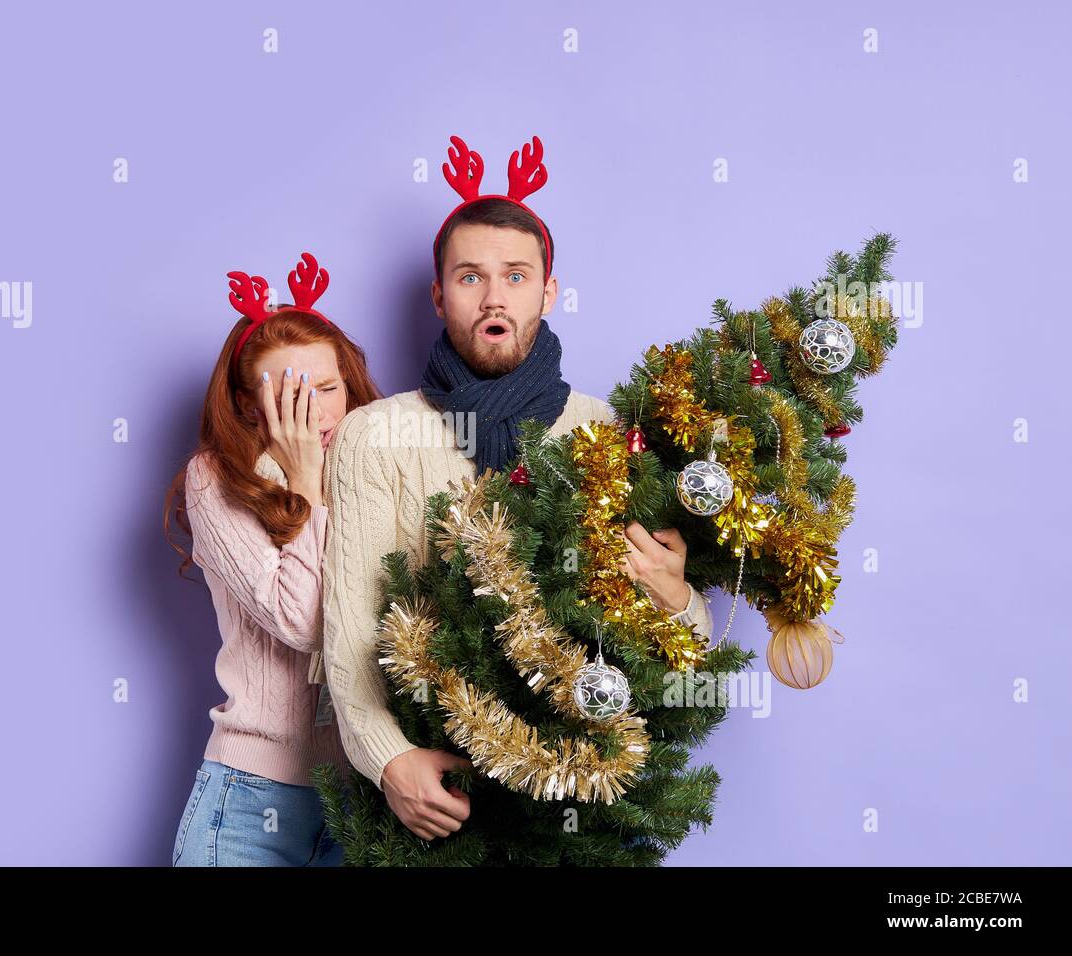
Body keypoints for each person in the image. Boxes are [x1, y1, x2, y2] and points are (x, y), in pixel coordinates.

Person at [320, 136, 715, 842]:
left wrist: (678, 597)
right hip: (437, 804)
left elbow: (690, 643)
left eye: (516, 276)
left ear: (548, 292)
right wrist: (391, 762)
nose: (494, 296)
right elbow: (351, 632)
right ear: (440, 297)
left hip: (579, 799)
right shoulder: (374, 434)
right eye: (469, 277)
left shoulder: (605, 427)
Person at [163, 253, 379, 865]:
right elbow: (306, 622)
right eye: (288, 395)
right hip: (249, 800)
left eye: (328, 389)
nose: (313, 413)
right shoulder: (215, 480)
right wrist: (306, 480)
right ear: (247, 404)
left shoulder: (375, 473)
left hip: (363, 800)